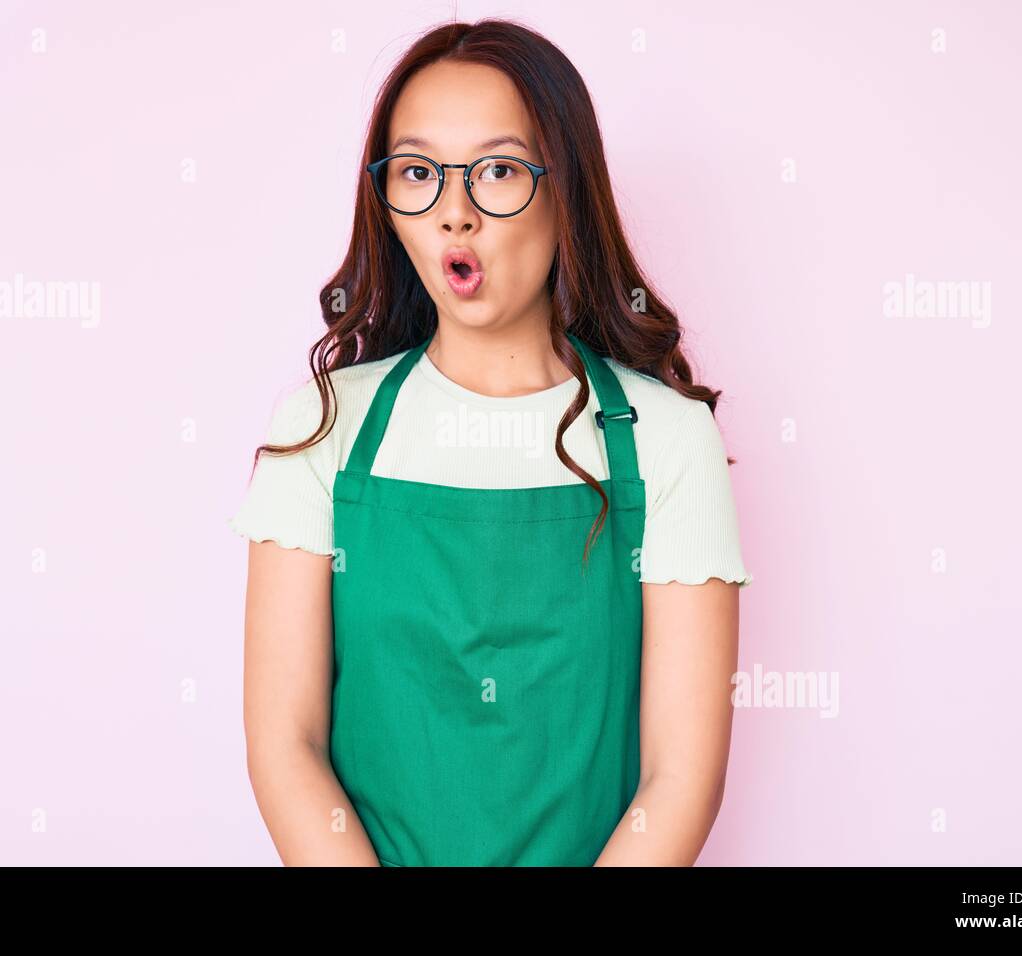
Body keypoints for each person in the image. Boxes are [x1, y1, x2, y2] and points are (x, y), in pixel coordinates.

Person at [232, 18, 752, 867]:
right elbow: (286, 748)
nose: (455, 213)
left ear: (567, 190)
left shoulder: (667, 439)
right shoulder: (322, 428)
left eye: (500, 170)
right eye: (418, 173)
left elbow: (680, 777)